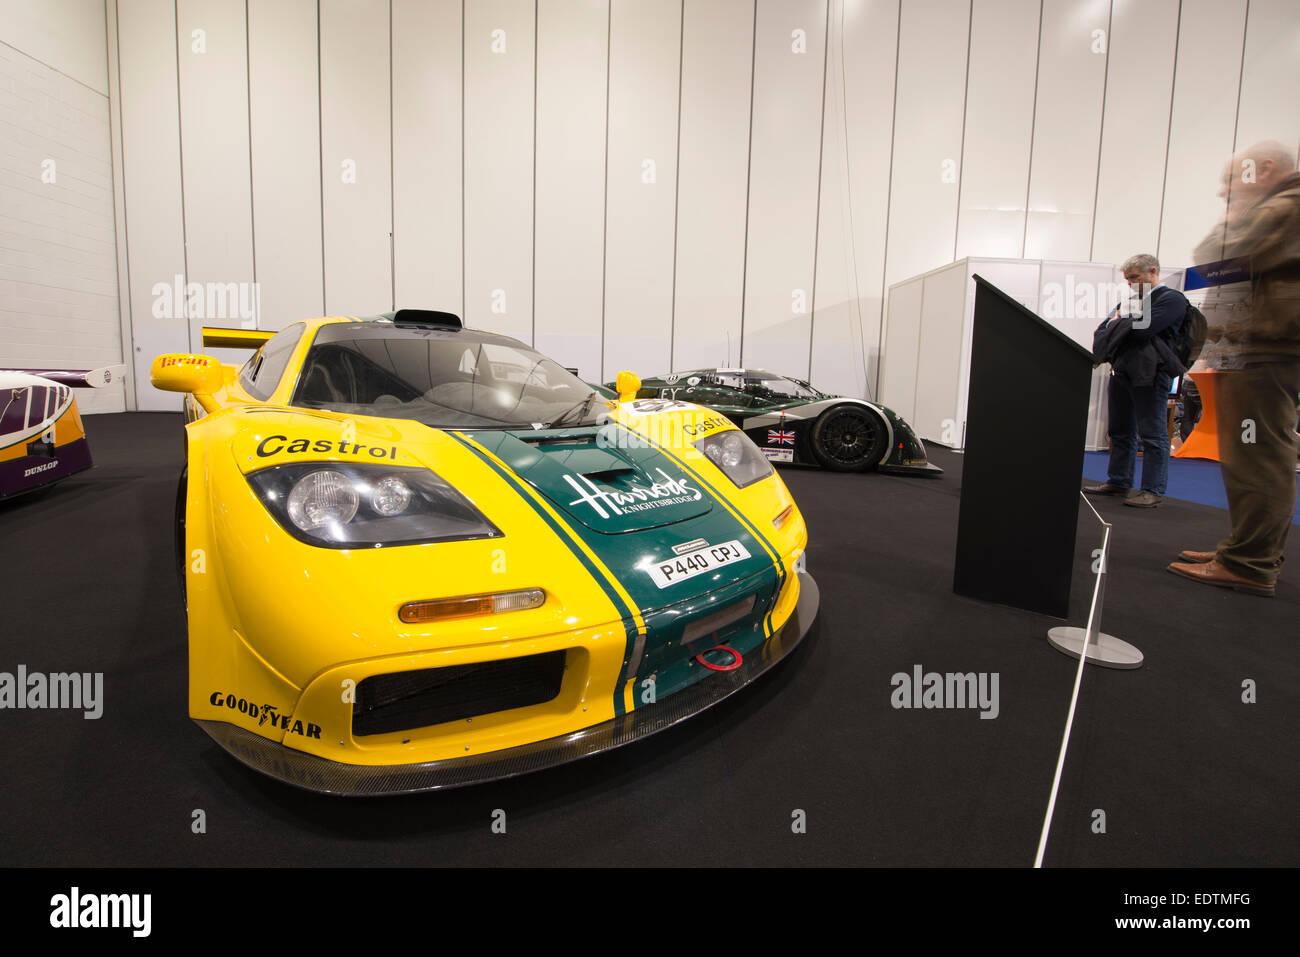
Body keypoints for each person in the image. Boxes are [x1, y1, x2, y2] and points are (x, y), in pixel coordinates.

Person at [1168, 141, 1300, 597]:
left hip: (1269, 349)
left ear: (1263, 170)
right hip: (1259, 347)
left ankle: (1250, 563)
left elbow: (1214, 253)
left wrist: (1236, 215)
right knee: (1252, 455)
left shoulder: (1287, 206)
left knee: (1259, 455)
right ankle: (1243, 550)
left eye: (1232, 181)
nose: (1224, 192)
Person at [1083, 254, 1189, 507]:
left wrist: (1119, 323)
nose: (1130, 283)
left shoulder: (1172, 300)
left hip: (1151, 375)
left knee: (1152, 434)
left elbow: (1144, 330)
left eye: (1134, 277)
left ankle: (1152, 490)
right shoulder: (1131, 301)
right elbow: (1102, 332)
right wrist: (1122, 325)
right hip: (1122, 371)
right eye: (1128, 279)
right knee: (1120, 431)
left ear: (1153, 271)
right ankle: (1119, 481)